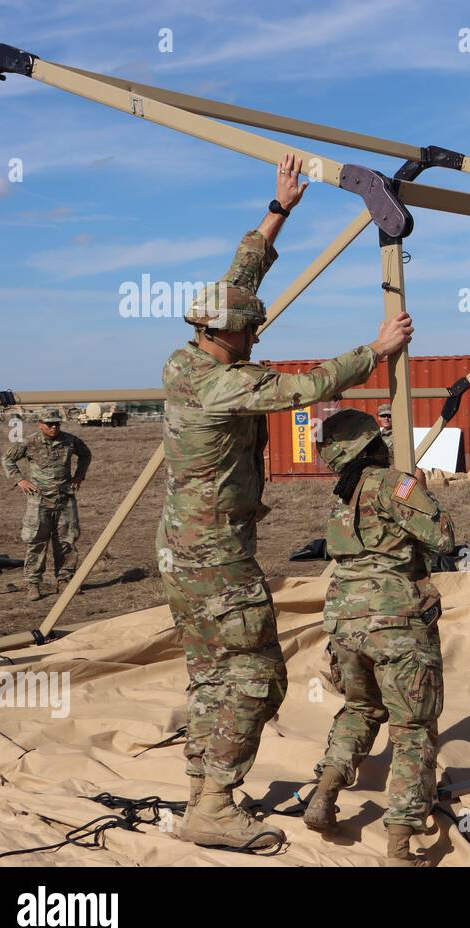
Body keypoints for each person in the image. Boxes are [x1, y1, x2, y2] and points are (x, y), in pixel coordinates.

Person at [161, 153, 415, 849]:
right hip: (214, 556)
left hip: (187, 549)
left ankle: (202, 794)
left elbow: (236, 284)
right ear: (233, 336)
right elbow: (305, 389)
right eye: (253, 332)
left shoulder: (190, 357)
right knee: (253, 676)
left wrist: (280, 211)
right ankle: (214, 804)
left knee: (214, 674)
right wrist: (377, 348)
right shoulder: (224, 386)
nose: (257, 339)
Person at [302, 409, 455, 866]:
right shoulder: (394, 484)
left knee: (360, 708)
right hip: (395, 623)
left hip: (344, 622)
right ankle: (400, 846)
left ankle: (325, 793)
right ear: (373, 445)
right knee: (412, 728)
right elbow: (444, 538)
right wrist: (422, 493)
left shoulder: (342, 494)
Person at [2, 408, 91, 601]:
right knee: (36, 542)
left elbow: (85, 455)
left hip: (65, 498)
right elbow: (8, 459)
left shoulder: (69, 440)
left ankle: (65, 580)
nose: (53, 427)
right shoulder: (29, 442)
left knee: (66, 541)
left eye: (57, 423)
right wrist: (19, 480)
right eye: (49, 423)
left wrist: (78, 477)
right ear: (40, 424)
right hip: (39, 500)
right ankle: (33, 583)